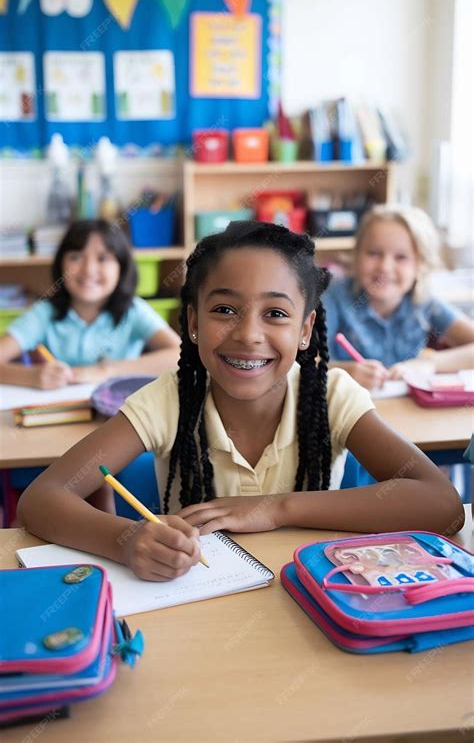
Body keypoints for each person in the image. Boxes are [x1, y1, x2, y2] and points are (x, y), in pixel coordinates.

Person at [17, 222, 463, 581]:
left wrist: (275, 508)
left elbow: (440, 505)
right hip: (198, 606)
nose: (249, 334)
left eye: (276, 313)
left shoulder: (331, 394)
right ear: (192, 321)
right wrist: (127, 538)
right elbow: (42, 498)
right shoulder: (169, 398)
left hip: (313, 600)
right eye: (225, 310)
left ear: (305, 331)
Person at [0, 219, 181, 388]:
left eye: (103, 258)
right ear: (60, 263)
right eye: (76, 257)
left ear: (122, 267)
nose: (89, 270)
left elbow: (181, 355)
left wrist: (107, 371)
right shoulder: (44, 312)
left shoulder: (134, 310)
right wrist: (32, 376)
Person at [324, 205, 474, 390]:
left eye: (401, 257)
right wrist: (343, 371)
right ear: (356, 255)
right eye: (374, 253)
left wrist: (431, 362)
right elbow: (301, 361)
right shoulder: (332, 298)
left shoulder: (425, 302)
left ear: (420, 265)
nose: (385, 267)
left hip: (405, 410)